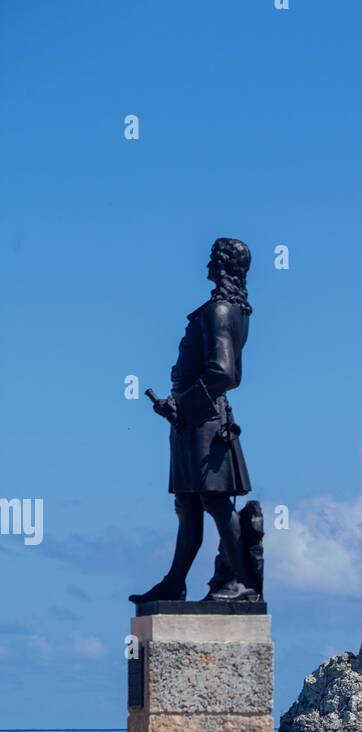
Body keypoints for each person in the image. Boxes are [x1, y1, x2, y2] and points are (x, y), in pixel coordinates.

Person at [129, 238, 260, 604]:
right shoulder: (231, 309)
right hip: (192, 421)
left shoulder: (220, 311)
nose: (205, 266)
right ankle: (176, 581)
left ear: (220, 267)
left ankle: (240, 582)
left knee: (215, 503)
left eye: (210, 260)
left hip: (204, 420)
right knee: (187, 505)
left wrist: (181, 404)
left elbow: (224, 373)